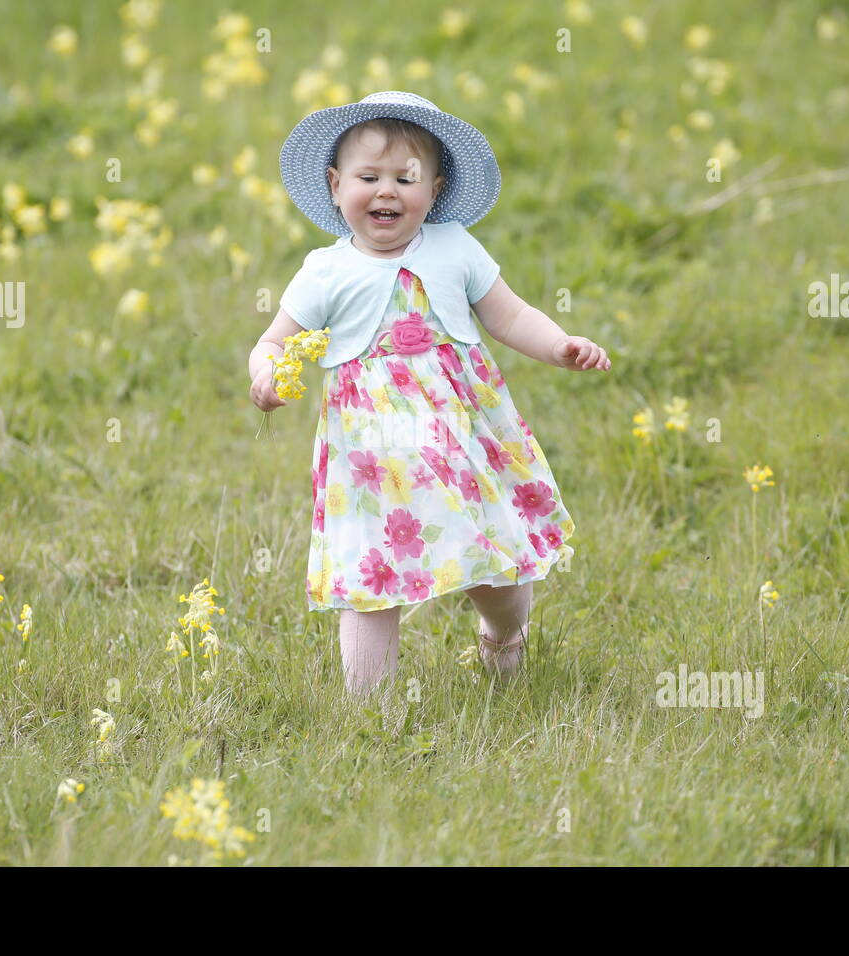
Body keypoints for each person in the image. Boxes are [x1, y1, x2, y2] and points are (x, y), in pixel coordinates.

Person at [248, 91, 610, 696]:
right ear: (336, 186)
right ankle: (371, 717)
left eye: (405, 178)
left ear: (435, 191)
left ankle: (504, 636)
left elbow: (511, 315)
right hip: (370, 456)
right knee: (371, 574)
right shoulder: (324, 270)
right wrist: (266, 375)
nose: (386, 190)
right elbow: (273, 341)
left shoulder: (454, 248)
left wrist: (558, 344)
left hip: (460, 439)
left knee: (493, 560)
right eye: (368, 177)